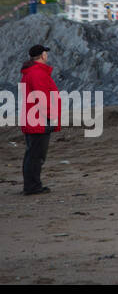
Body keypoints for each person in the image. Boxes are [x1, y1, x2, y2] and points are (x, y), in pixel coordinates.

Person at [20, 44, 61, 196]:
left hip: (33, 118)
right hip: (39, 119)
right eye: (46, 53)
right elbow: (42, 98)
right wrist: (51, 116)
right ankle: (32, 187)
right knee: (36, 156)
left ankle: (31, 185)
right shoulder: (37, 73)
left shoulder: (31, 72)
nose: (47, 56)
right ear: (43, 55)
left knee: (32, 154)